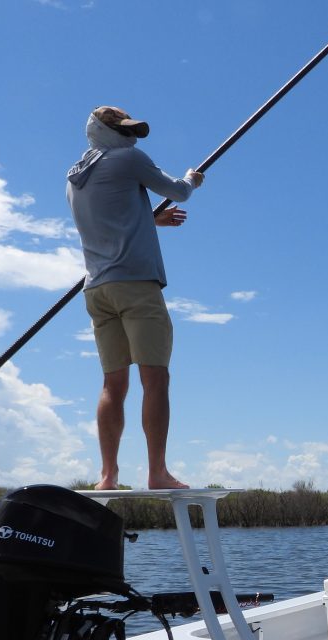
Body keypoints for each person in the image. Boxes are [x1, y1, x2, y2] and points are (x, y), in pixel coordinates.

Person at [66, 105, 205, 490]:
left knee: (113, 384)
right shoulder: (128, 160)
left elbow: (111, 220)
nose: (130, 136)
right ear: (104, 131)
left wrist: (149, 220)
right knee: (155, 379)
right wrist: (193, 179)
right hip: (136, 286)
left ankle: (107, 476)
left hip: (97, 290)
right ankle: (157, 473)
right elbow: (179, 191)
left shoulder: (76, 178)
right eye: (124, 129)